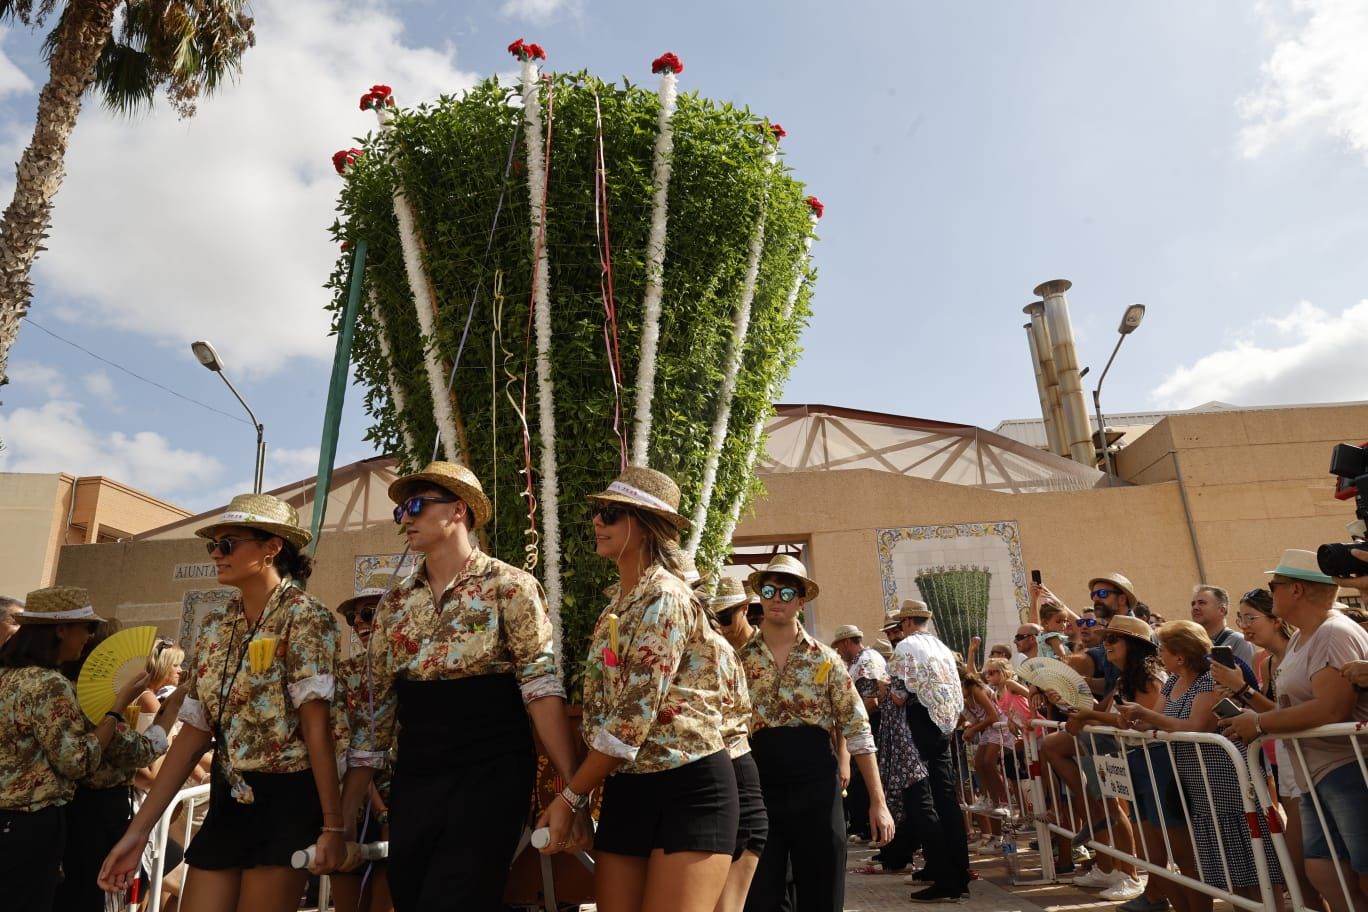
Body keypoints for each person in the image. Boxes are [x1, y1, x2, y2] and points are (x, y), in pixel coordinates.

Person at [338, 463, 581, 911]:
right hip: (418, 771)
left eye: (415, 506)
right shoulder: (394, 603)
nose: (404, 519)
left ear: (458, 510)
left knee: (459, 895)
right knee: (410, 893)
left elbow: (541, 688)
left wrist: (572, 789)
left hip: (492, 769)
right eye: (400, 512)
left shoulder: (512, 587)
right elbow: (376, 720)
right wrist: (342, 821)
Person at [99, 494, 344, 912]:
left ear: (272, 547)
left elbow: (317, 729)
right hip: (228, 798)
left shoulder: (306, 617)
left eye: (228, 543)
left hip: (286, 798)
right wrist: (138, 831)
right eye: (212, 544)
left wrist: (334, 826)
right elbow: (194, 733)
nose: (216, 552)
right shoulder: (215, 626)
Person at [533, 467, 737, 911]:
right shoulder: (616, 607)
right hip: (627, 788)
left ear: (645, 527)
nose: (597, 522)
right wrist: (584, 801)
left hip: (689, 785)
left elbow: (630, 720)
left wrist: (570, 798)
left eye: (611, 513)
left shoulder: (666, 597)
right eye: (598, 513)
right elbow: (599, 716)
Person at [740, 554, 894, 911]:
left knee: (822, 894)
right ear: (759, 597)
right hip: (759, 787)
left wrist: (878, 802)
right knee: (761, 897)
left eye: (787, 592)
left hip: (817, 790)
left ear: (801, 600)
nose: (776, 598)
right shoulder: (738, 660)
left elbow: (858, 730)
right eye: (768, 590)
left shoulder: (826, 660)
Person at [1220, 550, 1368, 910]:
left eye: (1275, 586)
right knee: (1322, 868)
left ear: (1297, 590)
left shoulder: (1332, 632)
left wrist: (1257, 722)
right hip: (1316, 772)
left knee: (1362, 869)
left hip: (1347, 766)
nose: (1271, 594)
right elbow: (1297, 708)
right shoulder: (1305, 637)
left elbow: (1331, 708)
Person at [0, 586, 161, 912]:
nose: (88, 636)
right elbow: (77, 760)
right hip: (33, 822)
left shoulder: (7, 677)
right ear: (60, 629)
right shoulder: (50, 684)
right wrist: (116, 709)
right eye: (85, 627)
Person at [1121, 620, 1284, 912]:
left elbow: (1198, 725)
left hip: (1226, 776)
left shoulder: (1209, 679)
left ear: (1180, 655)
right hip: (1197, 781)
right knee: (1232, 868)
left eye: (1163, 649)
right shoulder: (1171, 681)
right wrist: (1135, 719)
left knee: (1252, 863)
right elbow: (1158, 718)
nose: (1159, 655)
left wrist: (1148, 716)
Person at [1209, 586, 1320, 910]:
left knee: (1309, 865)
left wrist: (1241, 687)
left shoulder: (1299, 652)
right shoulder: (1266, 661)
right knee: (1299, 868)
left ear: (1276, 619)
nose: (1244, 625)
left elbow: (1280, 712)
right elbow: (1270, 712)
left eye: (1251, 617)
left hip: (1313, 760)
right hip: (1286, 763)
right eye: (1240, 617)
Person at [889, 597, 970, 903]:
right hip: (944, 727)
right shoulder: (943, 648)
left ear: (908, 622)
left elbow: (898, 694)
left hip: (918, 723)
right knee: (947, 800)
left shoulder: (906, 647)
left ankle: (944, 876)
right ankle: (959, 874)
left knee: (921, 800)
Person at [331, 588, 394, 912]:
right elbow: (343, 742)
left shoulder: (409, 667)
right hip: (356, 801)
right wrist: (380, 808)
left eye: (368, 613)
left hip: (408, 796)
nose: (358, 622)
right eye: (352, 617)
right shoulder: (345, 672)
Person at [832, 624, 883, 844]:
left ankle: (869, 830)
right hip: (867, 726)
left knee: (864, 779)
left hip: (869, 728)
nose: (840, 652)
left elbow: (871, 701)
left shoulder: (865, 662)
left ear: (846, 643)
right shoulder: (867, 658)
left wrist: (849, 716)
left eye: (839, 647)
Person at [1190, 585, 1255, 666]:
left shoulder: (1239, 641)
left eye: (1202, 603)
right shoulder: (1191, 644)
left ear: (1222, 610)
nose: (1195, 607)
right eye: (1193, 604)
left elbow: (1246, 677)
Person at [712, 577, 755, 652]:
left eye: (726, 619)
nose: (722, 629)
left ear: (744, 609)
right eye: (717, 621)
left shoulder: (768, 646)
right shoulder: (717, 650)